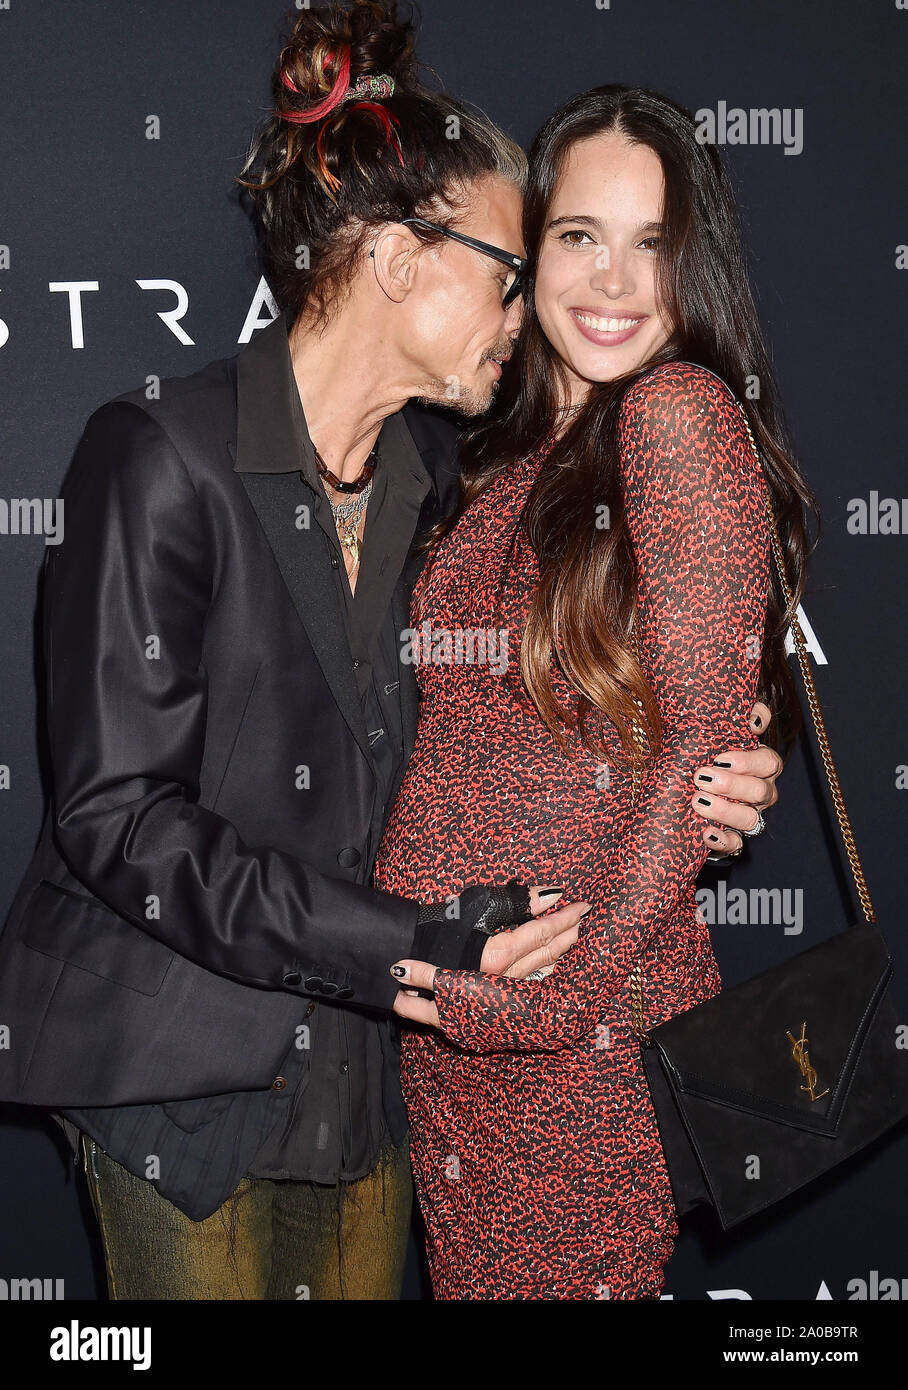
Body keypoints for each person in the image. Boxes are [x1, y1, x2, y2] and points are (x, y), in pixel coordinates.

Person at [0, 4, 781, 1300]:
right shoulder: (186, 455)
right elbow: (123, 820)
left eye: (643, 245)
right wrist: (430, 945)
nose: (562, 293)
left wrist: (700, 785)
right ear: (406, 258)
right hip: (199, 1069)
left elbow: (624, 712)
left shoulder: (461, 465)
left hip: (406, 1064)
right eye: (538, 254)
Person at [374, 82, 817, 1300]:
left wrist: (555, 1003)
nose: (613, 283)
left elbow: (690, 762)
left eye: (651, 245)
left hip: (578, 1042)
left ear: (693, 268)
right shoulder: (495, 448)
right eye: (579, 237)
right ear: (527, 249)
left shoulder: (673, 417)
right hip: (461, 1035)